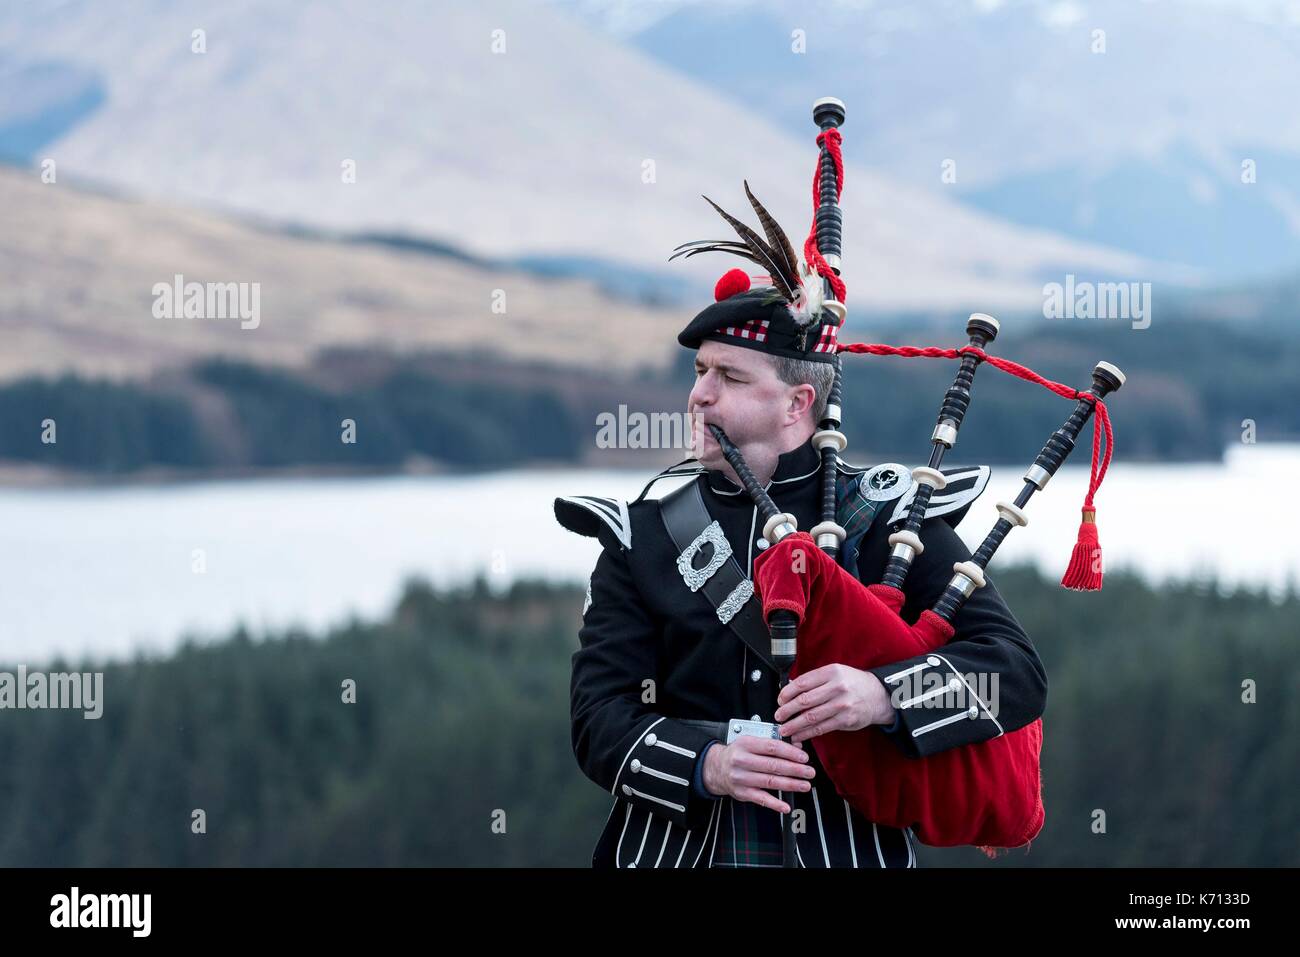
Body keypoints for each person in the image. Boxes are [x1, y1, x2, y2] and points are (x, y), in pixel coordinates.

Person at [555, 191, 1047, 869]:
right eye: (700, 372)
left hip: (845, 848)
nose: (699, 395)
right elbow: (597, 717)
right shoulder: (645, 538)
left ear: (798, 403)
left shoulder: (889, 519)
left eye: (727, 376)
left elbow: (1014, 675)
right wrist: (711, 763)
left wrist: (883, 695)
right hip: (679, 850)